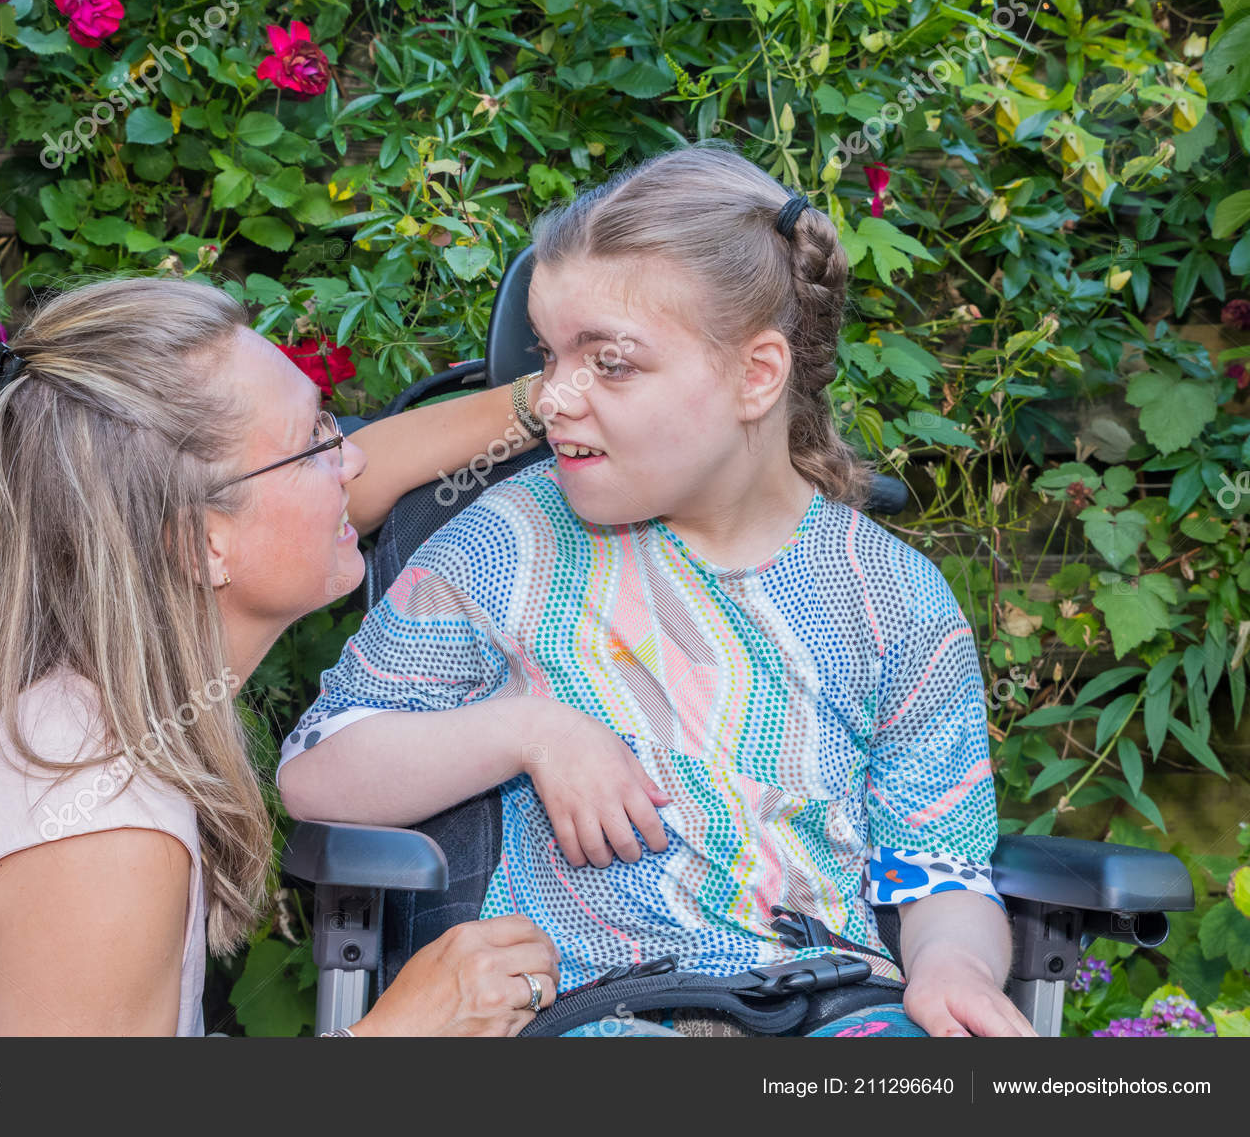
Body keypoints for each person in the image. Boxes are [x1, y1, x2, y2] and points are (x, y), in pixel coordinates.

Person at [276, 144, 1039, 1038]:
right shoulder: (511, 540)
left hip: (838, 1009)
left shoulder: (892, 596)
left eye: (612, 363)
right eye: (552, 355)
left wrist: (953, 964)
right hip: (598, 1011)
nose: (553, 397)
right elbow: (317, 772)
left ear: (757, 375)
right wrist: (528, 730)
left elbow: (938, 867)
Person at [0, 276, 561, 1037]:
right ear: (200, 543)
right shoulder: (99, 838)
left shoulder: (48, 706)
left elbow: (349, 484)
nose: (352, 457)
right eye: (317, 440)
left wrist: (554, 395)